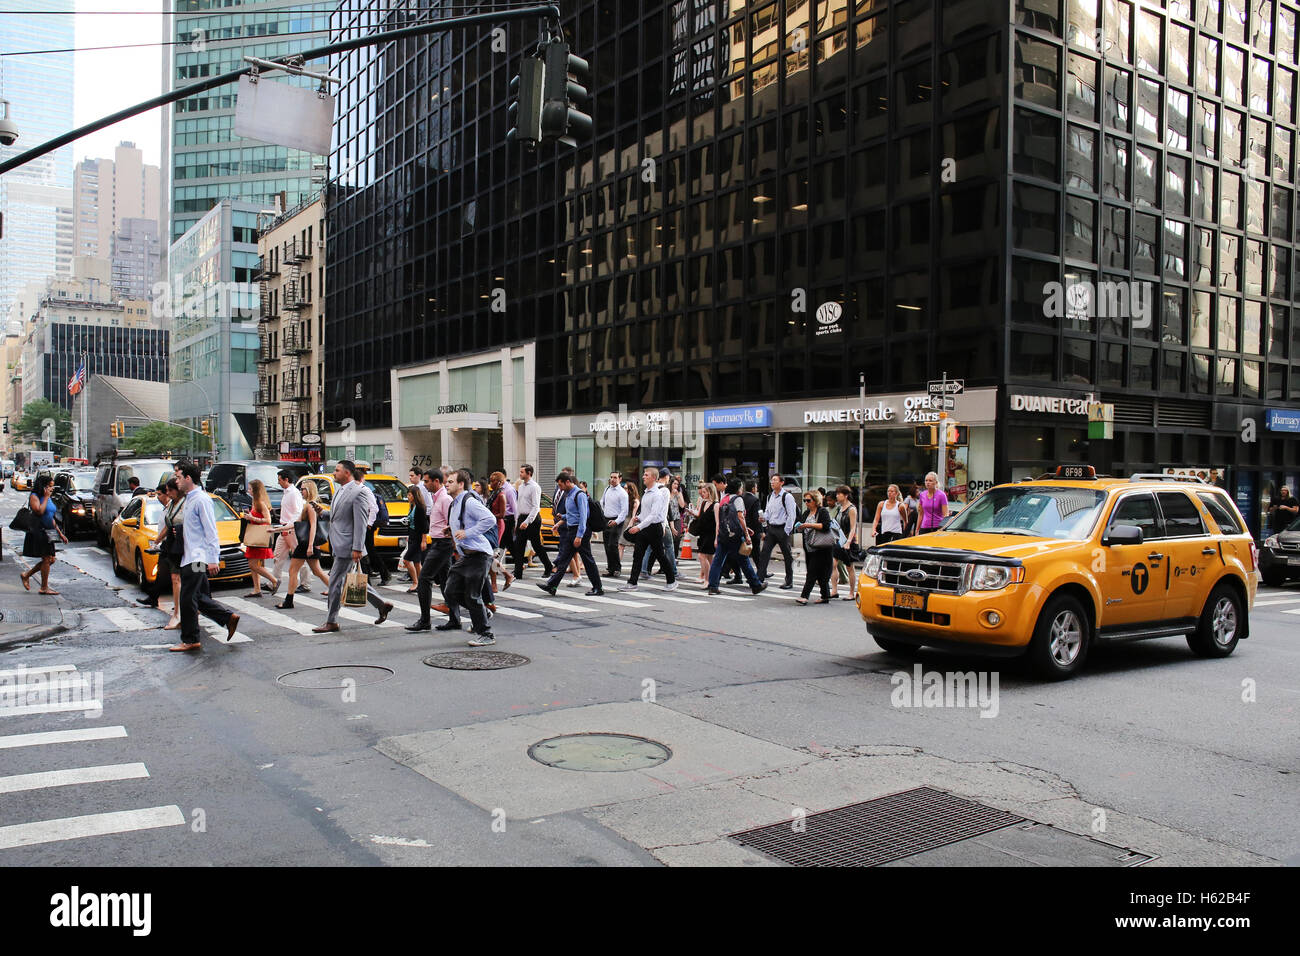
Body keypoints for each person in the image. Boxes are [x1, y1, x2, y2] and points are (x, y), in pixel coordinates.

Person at [313, 459, 393, 633]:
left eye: (337, 470)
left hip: (348, 546)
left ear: (347, 473)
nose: (334, 473)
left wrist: (357, 548)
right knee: (347, 580)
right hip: (339, 543)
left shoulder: (359, 492)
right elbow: (339, 516)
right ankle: (382, 604)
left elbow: (360, 522)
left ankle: (331, 621)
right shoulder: (340, 490)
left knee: (335, 582)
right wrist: (323, 512)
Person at [170, 460, 239, 652]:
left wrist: (212, 559)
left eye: (178, 477)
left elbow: (211, 531)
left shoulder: (201, 499)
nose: (176, 481)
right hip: (191, 556)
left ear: (188, 478)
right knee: (197, 596)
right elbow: (196, 529)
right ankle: (227, 617)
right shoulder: (190, 499)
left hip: (197, 557)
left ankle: (191, 639)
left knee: (187, 598)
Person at [442, 468, 498, 645]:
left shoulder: (468, 501)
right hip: (466, 556)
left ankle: (486, 635)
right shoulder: (454, 503)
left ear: (460, 484)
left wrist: (467, 532)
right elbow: (461, 523)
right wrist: (451, 530)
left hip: (479, 555)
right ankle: (481, 613)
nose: (446, 484)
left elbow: (490, 519)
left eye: (450, 482)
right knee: (450, 591)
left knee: (472, 596)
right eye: (447, 481)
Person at [536, 471, 604, 596]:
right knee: (564, 559)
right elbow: (573, 514)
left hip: (580, 531)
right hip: (571, 529)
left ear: (568, 482)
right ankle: (552, 585)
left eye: (561, 485)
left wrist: (579, 536)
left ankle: (597, 587)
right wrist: (561, 519)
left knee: (587, 560)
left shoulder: (579, 495)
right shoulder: (568, 494)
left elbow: (584, 516)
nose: (560, 488)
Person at [407, 468, 454, 632]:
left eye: (426, 481)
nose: (424, 484)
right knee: (446, 581)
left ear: (436, 481)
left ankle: (425, 621)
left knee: (424, 579)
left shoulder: (445, 499)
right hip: (437, 543)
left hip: (442, 544)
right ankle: (454, 619)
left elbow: (452, 523)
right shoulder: (437, 498)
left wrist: (450, 539)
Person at [619, 467, 679, 591]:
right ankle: (632, 583)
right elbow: (646, 513)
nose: (643, 476)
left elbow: (654, 515)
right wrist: (638, 518)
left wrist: (638, 527)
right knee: (638, 555)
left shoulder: (658, 494)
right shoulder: (647, 492)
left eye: (646, 475)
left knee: (660, 555)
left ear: (653, 478)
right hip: (645, 527)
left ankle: (672, 581)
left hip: (654, 528)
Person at [137, 480, 185, 630]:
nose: (167, 494)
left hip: (182, 546)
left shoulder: (187, 504)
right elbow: (168, 526)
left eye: (169, 491)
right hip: (170, 545)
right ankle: (177, 611)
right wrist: (157, 541)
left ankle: (183, 612)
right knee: (173, 577)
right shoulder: (171, 506)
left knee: (184, 579)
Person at [276, 480, 331, 609]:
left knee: (293, 571)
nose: (301, 491)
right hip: (308, 544)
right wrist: (277, 529)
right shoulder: (308, 505)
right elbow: (296, 523)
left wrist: (311, 545)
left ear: (309, 490)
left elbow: (313, 527)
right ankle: (338, 591)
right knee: (317, 572)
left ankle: (289, 601)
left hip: (306, 544)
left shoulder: (310, 506)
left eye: (303, 489)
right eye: (301, 489)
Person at [706, 477, 765, 595]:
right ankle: (756, 585)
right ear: (738, 488)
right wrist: (747, 534)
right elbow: (740, 517)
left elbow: (724, 519)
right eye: (741, 487)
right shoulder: (738, 499)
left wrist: (718, 535)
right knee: (744, 560)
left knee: (718, 561)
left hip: (724, 534)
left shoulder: (724, 499)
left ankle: (713, 586)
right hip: (735, 535)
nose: (742, 489)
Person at [20, 474, 67, 595]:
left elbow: (50, 517)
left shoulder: (49, 497)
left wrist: (60, 533)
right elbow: (40, 511)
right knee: (46, 558)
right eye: (50, 486)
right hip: (39, 530)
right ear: (43, 486)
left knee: (51, 559)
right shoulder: (35, 496)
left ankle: (26, 575)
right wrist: (46, 498)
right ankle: (44, 587)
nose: (52, 489)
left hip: (49, 530)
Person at [511, 464, 553, 579]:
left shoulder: (535, 487)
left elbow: (536, 507)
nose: (520, 474)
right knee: (518, 545)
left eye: (522, 472)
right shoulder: (521, 486)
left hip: (533, 519)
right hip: (521, 517)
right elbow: (519, 505)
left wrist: (527, 522)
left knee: (536, 545)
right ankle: (518, 572)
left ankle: (548, 566)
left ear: (529, 473)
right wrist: (517, 522)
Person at [240, 479, 279, 598]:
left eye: (250, 488)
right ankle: (257, 589)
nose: (248, 490)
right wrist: (249, 516)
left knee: (253, 564)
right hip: (254, 536)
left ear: (255, 490)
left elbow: (268, 520)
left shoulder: (260, 503)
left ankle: (274, 581)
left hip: (259, 535)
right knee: (254, 564)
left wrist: (252, 518)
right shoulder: (255, 502)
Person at [757, 474, 797, 590]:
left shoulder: (787, 496)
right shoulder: (770, 496)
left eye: (775, 480)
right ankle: (759, 579)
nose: (772, 482)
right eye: (771, 480)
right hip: (771, 528)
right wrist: (763, 518)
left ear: (781, 482)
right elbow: (768, 512)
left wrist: (786, 531)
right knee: (764, 553)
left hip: (782, 528)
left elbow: (791, 515)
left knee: (787, 556)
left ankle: (789, 581)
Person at [795, 489, 834, 605]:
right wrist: (799, 526)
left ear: (816, 500)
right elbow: (800, 524)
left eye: (808, 500)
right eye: (804, 500)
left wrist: (808, 525)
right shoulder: (806, 513)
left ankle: (804, 596)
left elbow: (826, 526)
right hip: (809, 547)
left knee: (812, 572)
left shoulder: (822, 511)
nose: (806, 503)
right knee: (820, 573)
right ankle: (825, 596)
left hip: (822, 547)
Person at [355, 465, 392, 586]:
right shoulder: (358, 489)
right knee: (367, 551)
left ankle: (382, 574)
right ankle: (376, 575)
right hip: (362, 525)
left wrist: (368, 524)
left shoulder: (364, 490)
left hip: (366, 525)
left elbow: (374, 508)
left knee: (368, 551)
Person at [272, 471, 306, 596]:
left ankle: (305, 583)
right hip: (284, 528)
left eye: (279, 480)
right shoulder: (287, 493)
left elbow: (298, 512)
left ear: (286, 479)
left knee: (299, 557)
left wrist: (290, 525)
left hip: (290, 528)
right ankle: (274, 581)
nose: (278, 482)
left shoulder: (293, 493)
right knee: (278, 555)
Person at [640, 469, 679, 580]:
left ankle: (644, 570)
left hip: (649, 522)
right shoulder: (665, 490)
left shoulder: (651, 488)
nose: (670, 479)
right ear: (666, 477)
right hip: (661, 523)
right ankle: (673, 571)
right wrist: (663, 525)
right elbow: (664, 509)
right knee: (669, 546)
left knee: (649, 548)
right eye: (669, 477)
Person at [486, 471, 515, 594]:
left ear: (500, 482)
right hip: (490, 524)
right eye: (490, 480)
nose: (491, 483)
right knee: (490, 554)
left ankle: (505, 576)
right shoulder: (493, 493)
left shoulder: (501, 495)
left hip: (497, 525)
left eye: (493, 481)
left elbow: (502, 514)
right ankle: (496, 583)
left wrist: (488, 515)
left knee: (491, 554)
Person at [830, 485, 859, 601]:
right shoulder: (838, 508)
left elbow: (853, 528)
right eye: (836, 494)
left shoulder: (851, 509)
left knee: (849, 567)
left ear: (846, 495)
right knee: (833, 564)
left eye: (839, 494)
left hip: (849, 541)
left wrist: (848, 542)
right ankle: (834, 590)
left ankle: (852, 592)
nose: (837, 496)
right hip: (838, 540)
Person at [600, 470, 629, 577]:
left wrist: (616, 521)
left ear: (620, 479)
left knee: (613, 544)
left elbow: (624, 511)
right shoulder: (607, 489)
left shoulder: (622, 493)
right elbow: (602, 501)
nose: (612, 479)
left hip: (617, 520)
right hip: (606, 519)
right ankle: (610, 569)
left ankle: (617, 568)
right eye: (611, 477)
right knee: (607, 545)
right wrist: (603, 514)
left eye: (615, 477)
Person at [400, 483, 428, 594]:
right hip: (412, 536)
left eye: (410, 495)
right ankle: (420, 584)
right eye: (408, 495)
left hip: (417, 537)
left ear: (415, 495)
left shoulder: (420, 508)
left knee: (407, 559)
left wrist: (423, 540)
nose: (408, 497)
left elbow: (424, 526)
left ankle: (416, 582)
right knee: (417, 562)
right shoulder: (412, 506)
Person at [690, 481, 718, 584]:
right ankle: (712, 579)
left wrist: (716, 538)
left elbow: (718, 523)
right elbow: (700, 516)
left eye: (705, 492)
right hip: (702, 533)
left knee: (702, 556)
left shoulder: (716, 505)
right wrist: (693, 512)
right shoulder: (704, 503)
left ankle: (707, 579)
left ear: (710, 492)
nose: (703, 494)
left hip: (711, 534)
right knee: (709, 558)